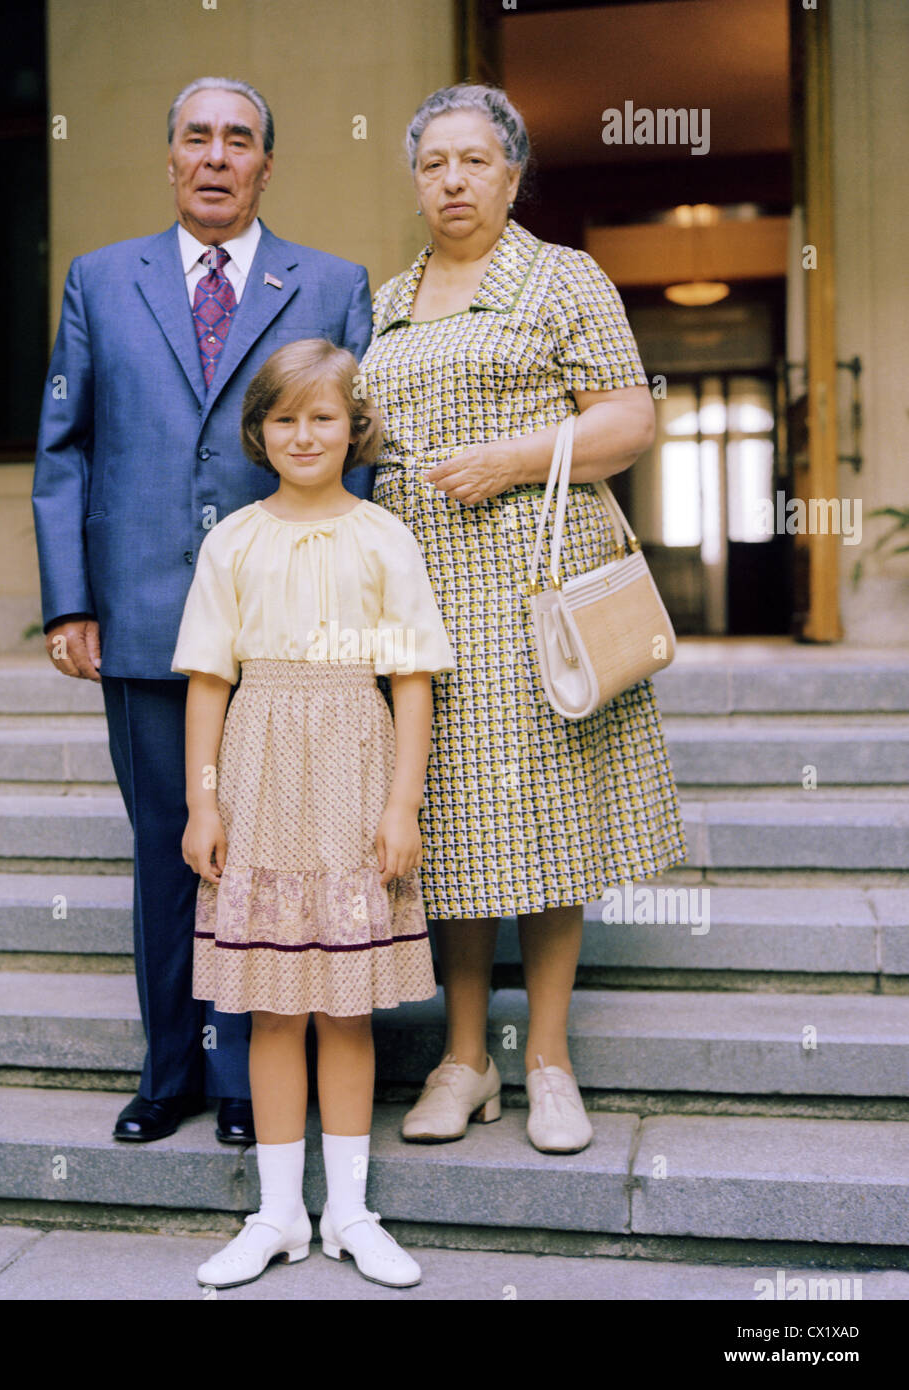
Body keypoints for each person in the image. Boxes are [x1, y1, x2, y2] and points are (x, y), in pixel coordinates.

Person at [31, 77, 374, 1147]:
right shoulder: (99, 278)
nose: (217, 157)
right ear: (169, 157)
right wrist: (69, 600)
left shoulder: (331, 281)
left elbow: (361, 457)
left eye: (240, 140)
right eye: (197, 138)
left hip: (286, 630)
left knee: (260, 846)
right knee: (167, 844)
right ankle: (166, 1068)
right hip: (137, 615)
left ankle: (244, 1082)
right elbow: (64, 448)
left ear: (267, 164)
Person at [359, 84, 687, 1155]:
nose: (452, 180)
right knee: (449, 829)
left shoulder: (560, 277)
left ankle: (546, 1059)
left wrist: (514, 457)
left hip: (537, 590)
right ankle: (464, 1060)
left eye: (474, 162)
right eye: (432, 164)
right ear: (415, 181)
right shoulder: (387, 299)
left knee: (549, 823)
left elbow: (631, 414)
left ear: (511, 175)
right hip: (422, 597)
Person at [173, 339, 455, 1289]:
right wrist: (200, 805)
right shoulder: (233, 540)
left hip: (352, 770)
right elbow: (209, 681)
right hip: (257, 775)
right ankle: (278, 1215)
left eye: (323, 418)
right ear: (260, 431)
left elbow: (411, 678)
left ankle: (350, 1211)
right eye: (285, 418)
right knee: (272, 1010)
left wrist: (401, 804)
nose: (304, 434)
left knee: (344, 1007)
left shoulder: (384, 536)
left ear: (353, 429)